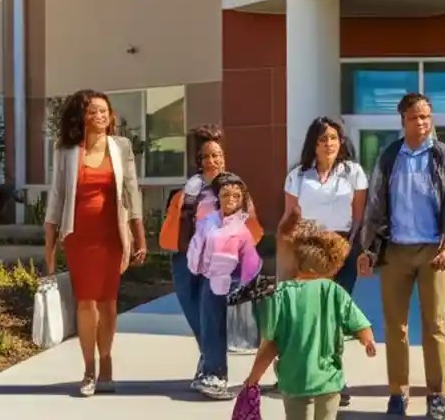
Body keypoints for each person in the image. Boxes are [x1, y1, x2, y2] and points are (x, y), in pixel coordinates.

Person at [358, 92, 445, 420]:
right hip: (396, 251)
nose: (421, 122)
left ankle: (437, 394)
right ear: (403, 121)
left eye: (426, 116)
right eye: (414, 117)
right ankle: (398, 393)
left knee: (435, 324)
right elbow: (375, 206)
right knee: (396, 326)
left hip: (435, 252)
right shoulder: (389, 157)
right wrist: (368, 249)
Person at [43, 89, 145, 397]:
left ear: (111, 115)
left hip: (111, 235)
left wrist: (139, 236)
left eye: (104, 111)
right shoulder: (66, 151)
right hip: (79, 236)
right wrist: (49, 246)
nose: (99, 116)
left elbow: (131, 191)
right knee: (86, 302)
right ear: (82, 116)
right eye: (92, 111)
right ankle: (89, 369)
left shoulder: (121, 147)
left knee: (108, 302)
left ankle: (107, 360)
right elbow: (57, 196)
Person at [157, 125, 264, 398]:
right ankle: (207, 364)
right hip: (186, 258)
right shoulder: (190, 188)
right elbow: (176, 222)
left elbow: (250, 226)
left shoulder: (233, 187)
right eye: (206, 156)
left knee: (211, 312)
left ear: (224, 157)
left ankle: (216, 374)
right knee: (197, 316)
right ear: (198, 160)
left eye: (217, 155)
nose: (212, 161)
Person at [244, 218, 377, 420]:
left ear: (295, 260)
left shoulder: (280, 294)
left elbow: (270, 343)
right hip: (330, 380)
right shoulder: (334, 291)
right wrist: (368, 340)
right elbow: (360, 324)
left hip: (296, 380)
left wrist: (253, 378)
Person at [278, 116, 369, 406]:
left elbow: (359, 216)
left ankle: (334, 380)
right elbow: (290, 218)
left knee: (334, 316)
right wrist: (287, 255)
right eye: (322, 139)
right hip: (306, 250)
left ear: (341, 141)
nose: (329, 143)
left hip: (342, 247)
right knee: (307, 317)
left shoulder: (353, 172)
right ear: (313, 144)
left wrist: (348, 250)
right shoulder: (298, 175)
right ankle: (302, 376)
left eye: (333, 137)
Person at [186, 174, 263, 297]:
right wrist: (195, 268)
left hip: (234, 282)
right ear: (218, 197)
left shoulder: (242, 228)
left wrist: (245, 282)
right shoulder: (207, 222)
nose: (230, 199)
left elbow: (250, 259)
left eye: (236, 196)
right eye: (226, 195)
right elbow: (196, 247)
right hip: (208, 279)